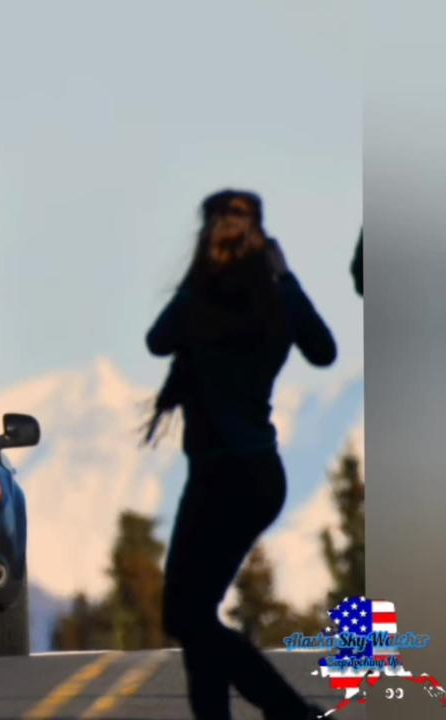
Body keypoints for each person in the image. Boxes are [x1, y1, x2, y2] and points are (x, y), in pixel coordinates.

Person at [144, 190, 335, 720]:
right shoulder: (273, 300)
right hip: (251, 474)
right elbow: (323, 350)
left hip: (223, 475)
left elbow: (158, 340)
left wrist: (195, 274)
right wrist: (286, 276)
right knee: (193, 614)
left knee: (187, 615)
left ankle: (291, 712)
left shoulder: (199, 302)